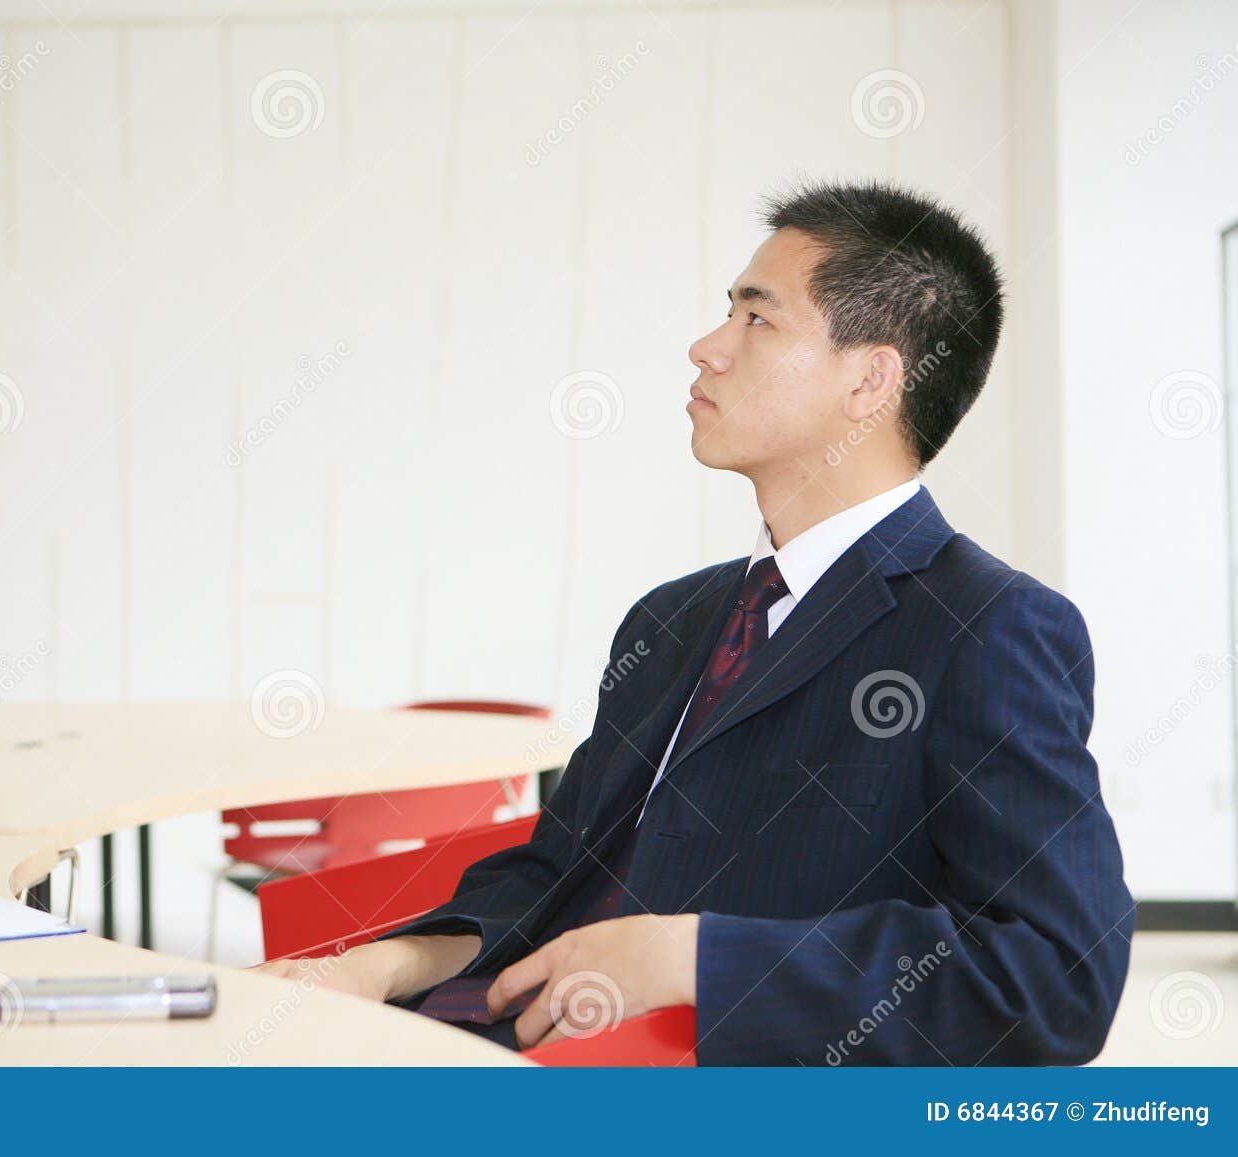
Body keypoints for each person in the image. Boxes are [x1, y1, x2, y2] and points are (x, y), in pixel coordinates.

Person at [254, 178, 1133, 1064]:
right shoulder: (675, 618)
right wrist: (379, 964)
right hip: (498, 1041)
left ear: (871, 379)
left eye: (758, 319)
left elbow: (1058, 976)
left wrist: (697, 957)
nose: (706, 347)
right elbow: (561, 869)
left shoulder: (988, 626)